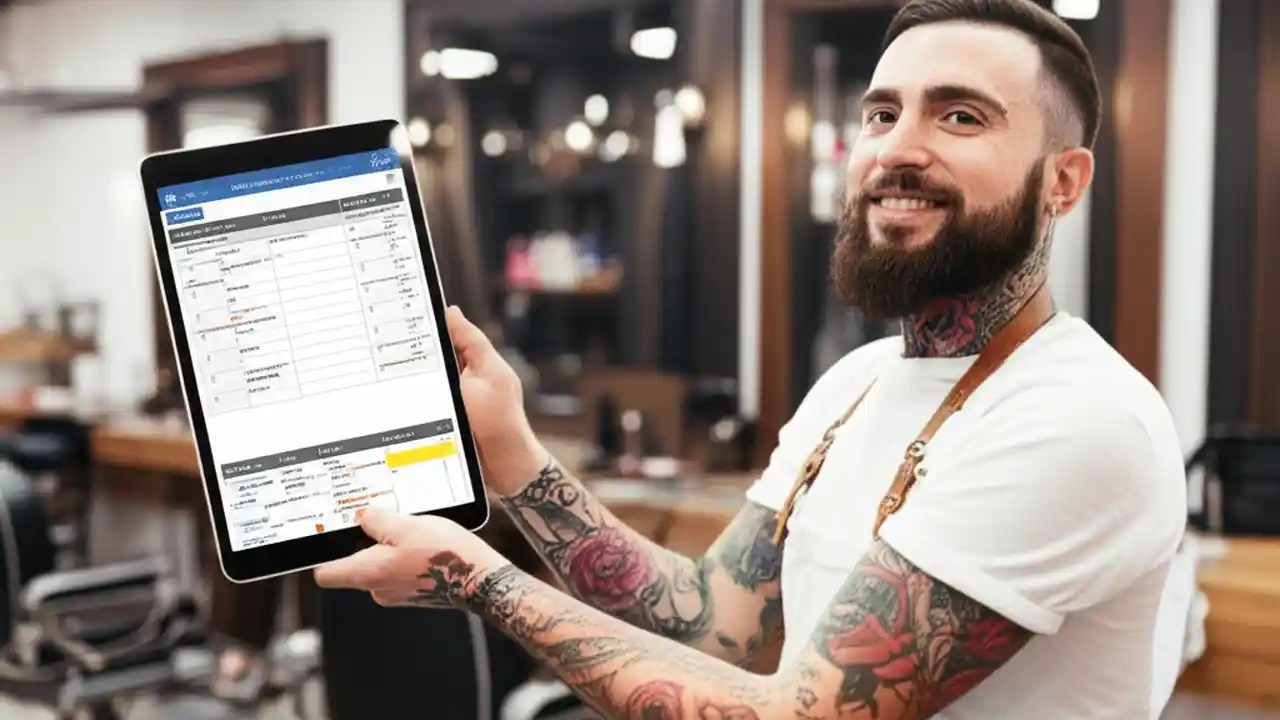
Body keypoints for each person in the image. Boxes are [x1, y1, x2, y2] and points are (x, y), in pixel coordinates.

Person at [315, 0, 1188, 717]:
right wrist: (509, 450)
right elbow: (710, 620)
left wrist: (479, 576)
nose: (896, 147)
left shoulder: (1077, 415)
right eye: (882, 113)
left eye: (959, 115)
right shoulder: (860, 382)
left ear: (1063, 182)